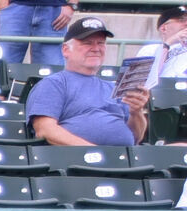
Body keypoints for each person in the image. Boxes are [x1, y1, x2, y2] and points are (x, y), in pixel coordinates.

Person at [27, 16, 147, 146]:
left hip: (123, 161)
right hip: (76, 161)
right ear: (66, 50)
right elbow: (45, 129)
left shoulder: (113, 87)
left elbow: (136, 138)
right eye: (87, 43)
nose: (96, 48)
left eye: (100, 43)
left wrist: (136, 112)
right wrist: (94, 151)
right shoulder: (54, 84)